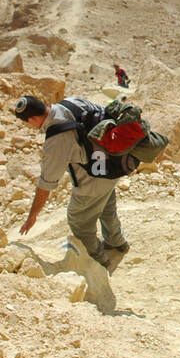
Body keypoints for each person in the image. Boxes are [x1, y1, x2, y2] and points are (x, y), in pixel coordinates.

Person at [13, 95, 128, 270]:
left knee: (78, 220)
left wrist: (32, 215)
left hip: (92, 181)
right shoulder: (73, 101)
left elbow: (47, 183)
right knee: (106, 207)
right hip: (111, 167)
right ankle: (117, 242)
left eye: (28, 123)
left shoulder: (56, 138)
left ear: (33, 119)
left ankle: (98, 260)